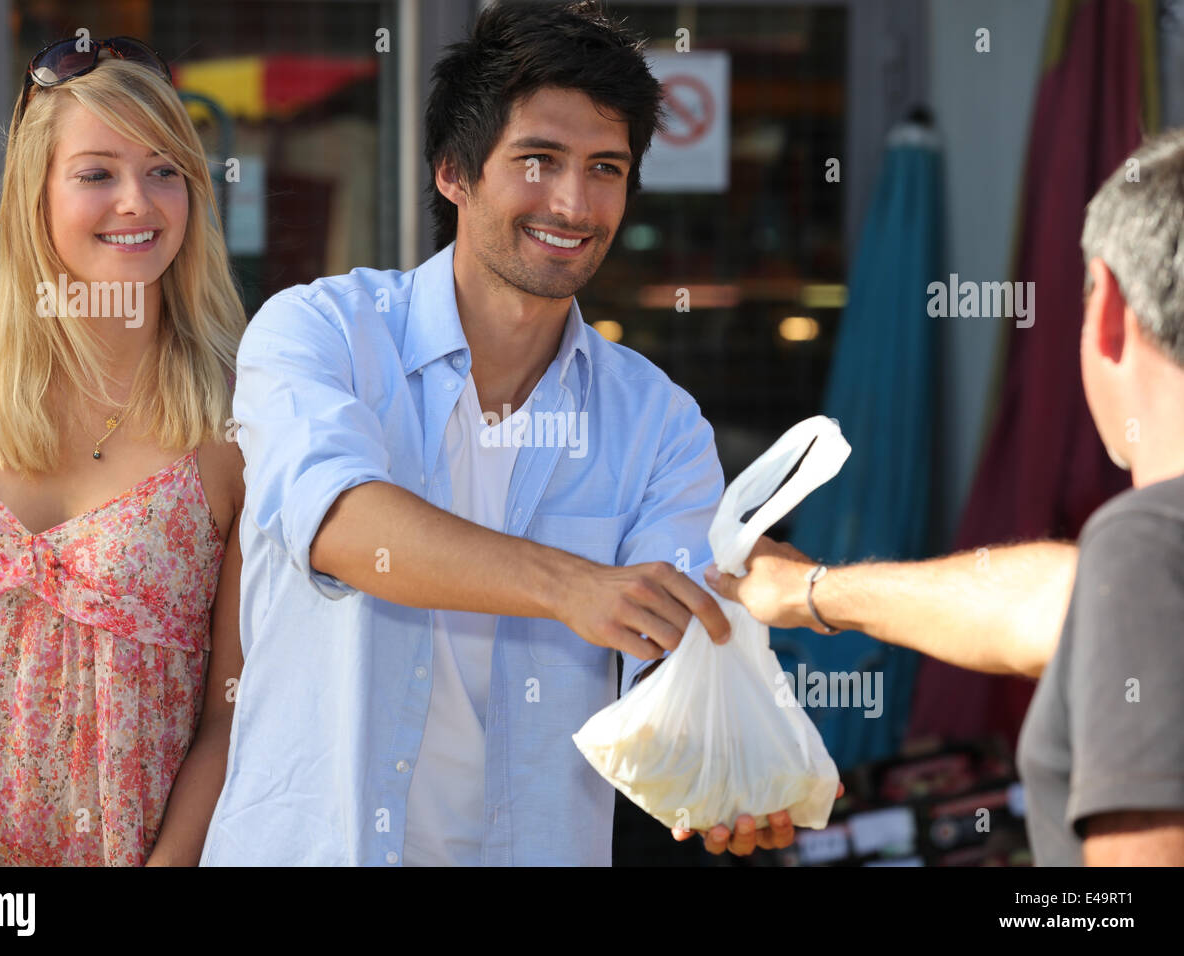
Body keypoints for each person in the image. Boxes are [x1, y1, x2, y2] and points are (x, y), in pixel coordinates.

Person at [202, 0, 818, 866]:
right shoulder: (320, 332)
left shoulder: (657, 422)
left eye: (606, 167)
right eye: (539, 160)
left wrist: (727, 769)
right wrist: (572, 588)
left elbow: (674, 647)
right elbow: (339, 524)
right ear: (455, 172)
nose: (574, 202)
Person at [705, 130, 1184, 866]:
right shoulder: (1145, 568)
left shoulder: (1150, 547)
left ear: (1109, 312)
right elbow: (1050, 605)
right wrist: (807, 592)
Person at [0, 37, 247, 865]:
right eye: (97, 174)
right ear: (35, 194)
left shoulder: (236, 420)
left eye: (164, 171)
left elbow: (232, 713)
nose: (137, 202)